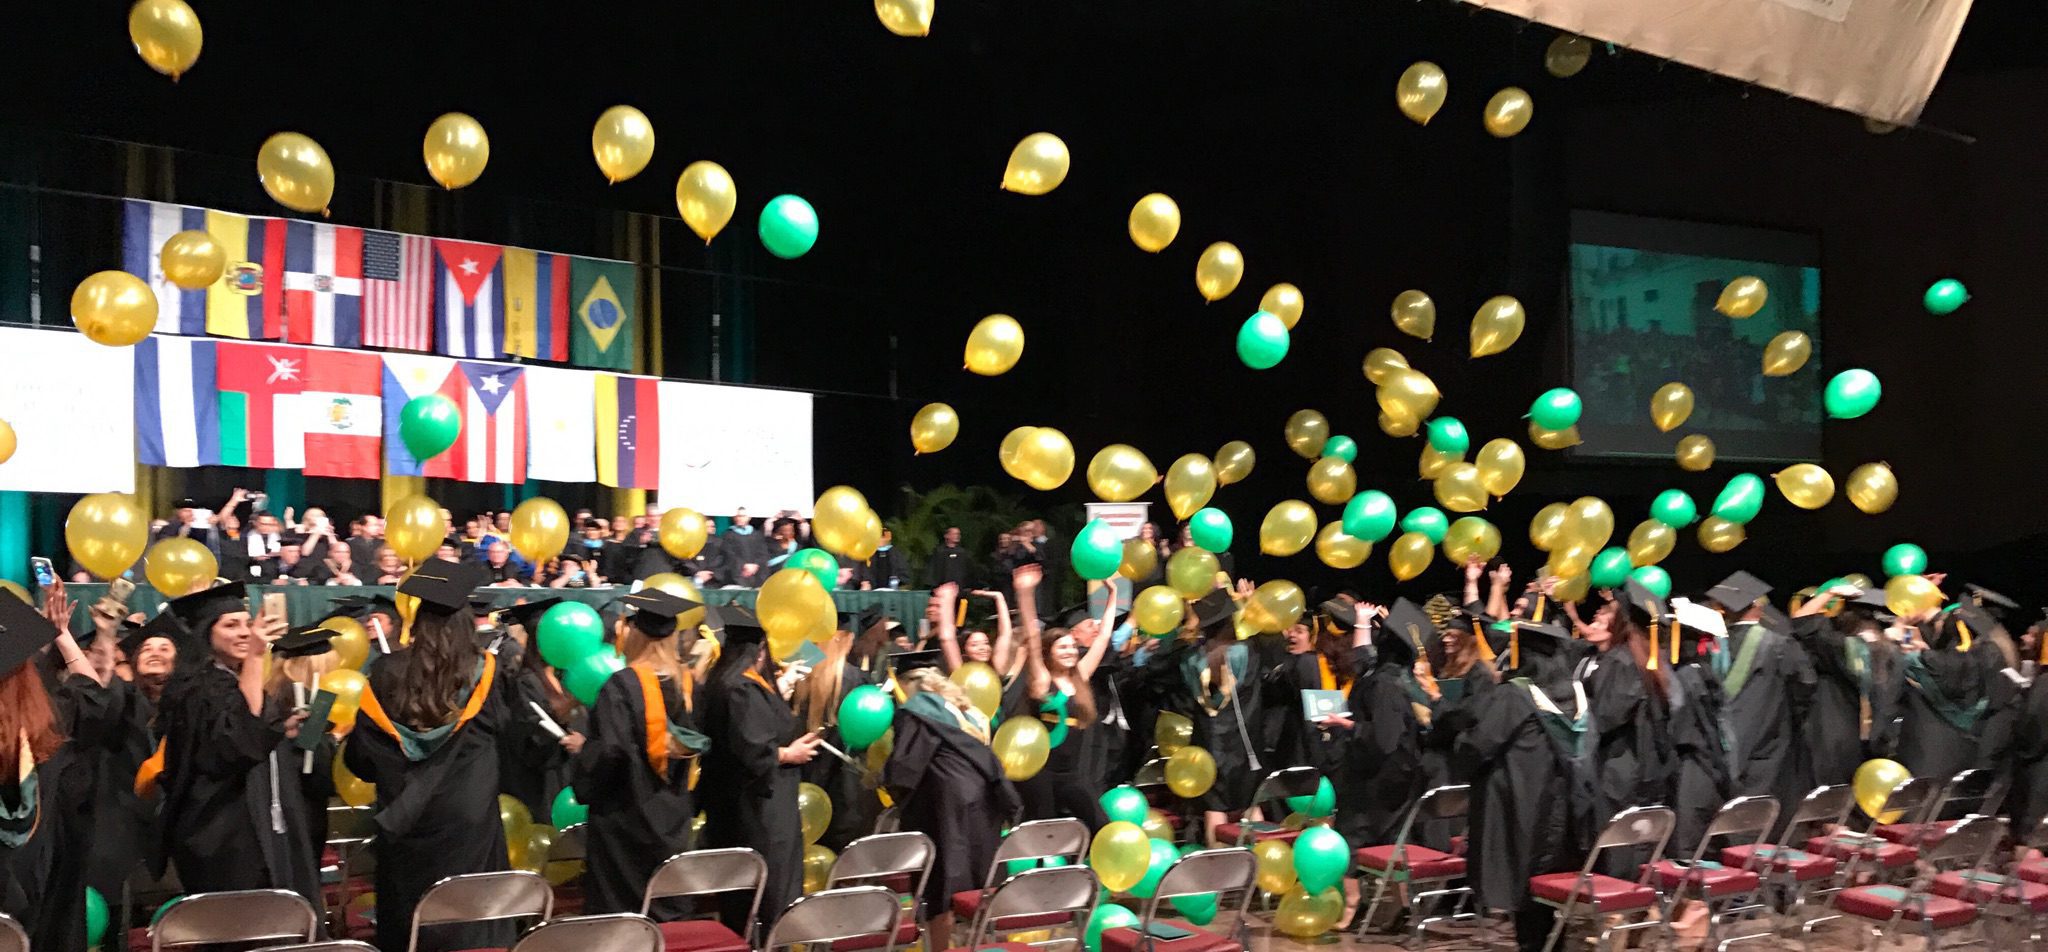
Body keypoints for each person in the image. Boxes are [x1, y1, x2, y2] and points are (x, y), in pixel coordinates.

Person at [345, 561, 517, 952]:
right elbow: (511, 741)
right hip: (470, 822)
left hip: (406, 823)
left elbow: (363, 762)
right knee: (473, 918)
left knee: (413, 920)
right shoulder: (488, 673)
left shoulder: (386, 672)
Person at [152, 582, 324, 913]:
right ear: (206, 633)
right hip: (222, 837)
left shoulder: (229, 680)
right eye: (231, 625)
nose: (245, 632)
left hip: (256, 827)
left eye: (247, 623)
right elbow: (239, 741)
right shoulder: (196, 688)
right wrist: (258, 656)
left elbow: (253, 729)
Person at [1450, 618, 1596, 952]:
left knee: (1528, 899)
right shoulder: (1576, 694)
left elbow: (1477, 746)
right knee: (1549, 898)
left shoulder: (1515, 697)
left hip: (1524, 809)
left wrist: (1458, 739)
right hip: (1566, 814)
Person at [0, 593, 131, 952]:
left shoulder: (50, 716)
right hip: (41, 881)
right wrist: (61, 635)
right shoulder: (50, 721)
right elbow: (95, 698)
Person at [574, 589, 709, 915]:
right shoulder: (685, 684)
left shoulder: (621, 686)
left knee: (625, 914)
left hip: (626, 817)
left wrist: (584, 751)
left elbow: (611, 754)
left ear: (635, 633)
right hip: (672, 814)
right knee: (665, 906)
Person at [699, 605, 820, 932]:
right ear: (761, 651)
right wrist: (788, 753)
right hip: (759, 809)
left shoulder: (723, 681)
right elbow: (752, 750)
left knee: (744, 894)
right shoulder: (740, 687)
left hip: (740, 804)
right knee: (768, 890)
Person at [881, 651, 1015, 944]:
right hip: (984, 801)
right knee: (982, 882)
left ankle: (941, 948)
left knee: (940, 883)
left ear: (906, 684)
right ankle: (988, 946)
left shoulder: (916, 709)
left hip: (943, 805)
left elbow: (906, 766)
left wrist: (885, 783)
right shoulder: (966, 708)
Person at [1152, 586, 1263, 844]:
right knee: (1250, 804)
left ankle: (1217, 868)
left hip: (1209, 743)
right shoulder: (1248, 652)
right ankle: (1256, 867)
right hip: (1245, 744)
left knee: (1215, 807)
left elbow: (1159, 666)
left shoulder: (1191, 659)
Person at [1703, 571, 1815, 814]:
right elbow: (1806, 683)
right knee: (1759, 808)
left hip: (1719, 738)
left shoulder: (1709, 645)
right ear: (1757, 606)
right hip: (1767, 736)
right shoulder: (1778, 644)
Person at [1013, 566, 1115, 829]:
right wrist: (1025, 593)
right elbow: (1033, 638)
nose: (1071, 651)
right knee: (1044, 834)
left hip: (1072, 774)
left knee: (1099, 823)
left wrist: (1112, 595)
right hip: (1041, 775)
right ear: (1050, 653)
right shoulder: (1042, 680)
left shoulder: (1079, 677)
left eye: (1072, 646)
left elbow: (1103, 637)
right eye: (1063, 647)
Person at [1335, 599, 1426, 850]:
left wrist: (1350, 727)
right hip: (1396, 785)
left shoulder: (1385, 685)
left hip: (1377, 791)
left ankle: (1353, 893)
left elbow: (1384, 741)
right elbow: (1364, 660)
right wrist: (1362, 622)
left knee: (1356, 848)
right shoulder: (1403, 678)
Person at [495, 599, 585, 825]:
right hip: (542, 783)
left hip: (571, 777)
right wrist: (568, 711)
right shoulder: (525, 682)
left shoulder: (567, 677)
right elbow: (530, 736)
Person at [792, 610, 876, 850]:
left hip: (803, 783)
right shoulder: (857, 680)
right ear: (846, 639)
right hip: (845, 787)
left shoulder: (797, 678)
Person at [264, 625, 342, 862]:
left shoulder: (268, 695)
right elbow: (317, 771)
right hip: (302, 809)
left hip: (272, 807)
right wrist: (336, 739)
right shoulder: (310, 705)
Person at [720, 509, 769, 587]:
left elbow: (763, 553)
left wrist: (756, 565)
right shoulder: (728, 535)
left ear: (749, 517)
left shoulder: (757, 535)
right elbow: (729, 554)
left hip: (757, 573)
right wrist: (743, 565)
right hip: (737, 573)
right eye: (737, 516)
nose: (739, 518)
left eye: (742, 516)